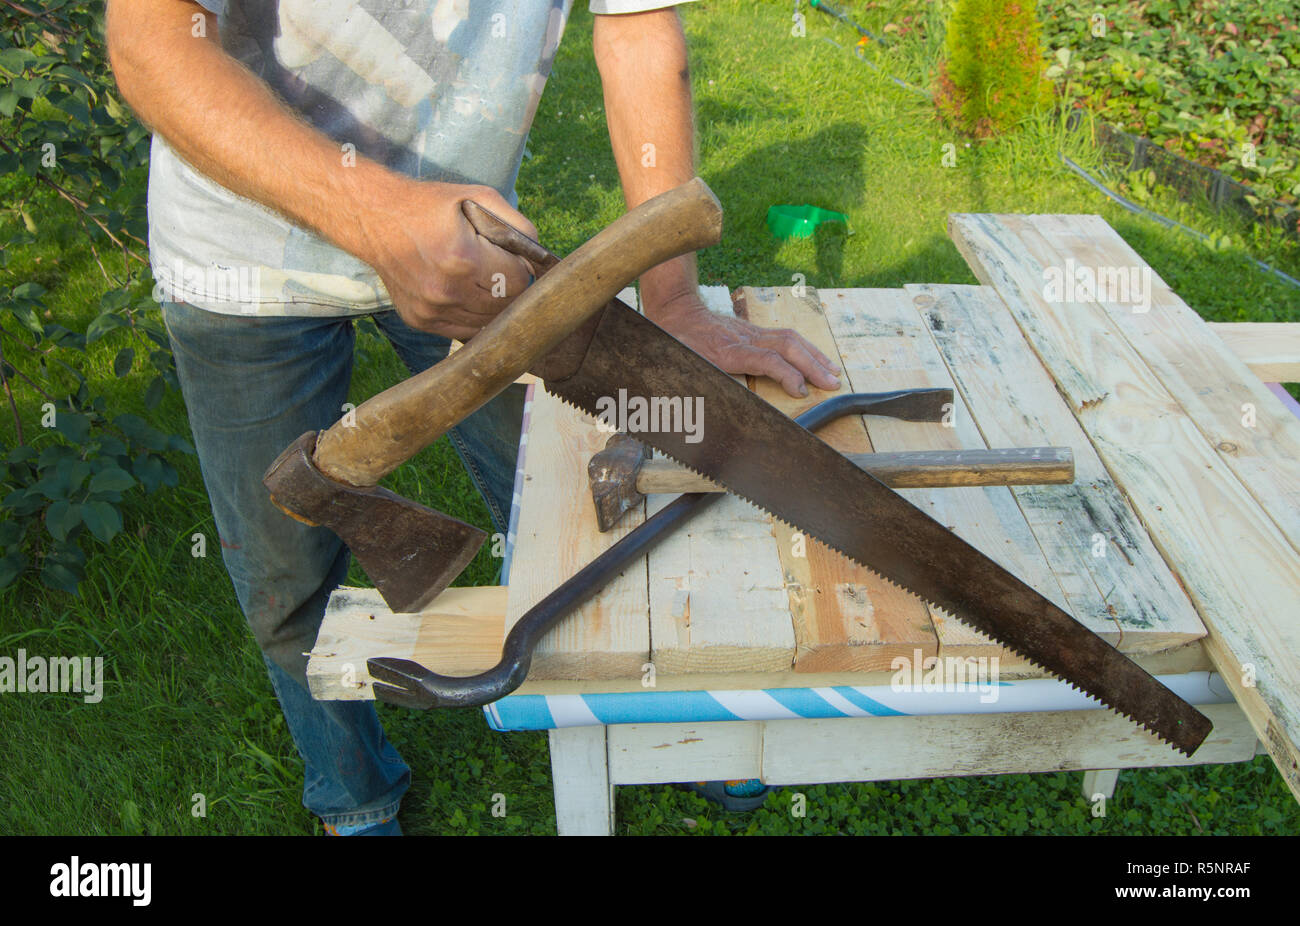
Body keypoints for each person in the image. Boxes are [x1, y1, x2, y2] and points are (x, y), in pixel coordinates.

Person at [106, 0, 841, 835]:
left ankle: (671, 726)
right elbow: (150, 35)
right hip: (240, 259)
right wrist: (373, 215)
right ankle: (353, 792)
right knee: (285, 576)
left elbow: (637, 30)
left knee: (584, 510)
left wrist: (673, 302)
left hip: (470, 253)